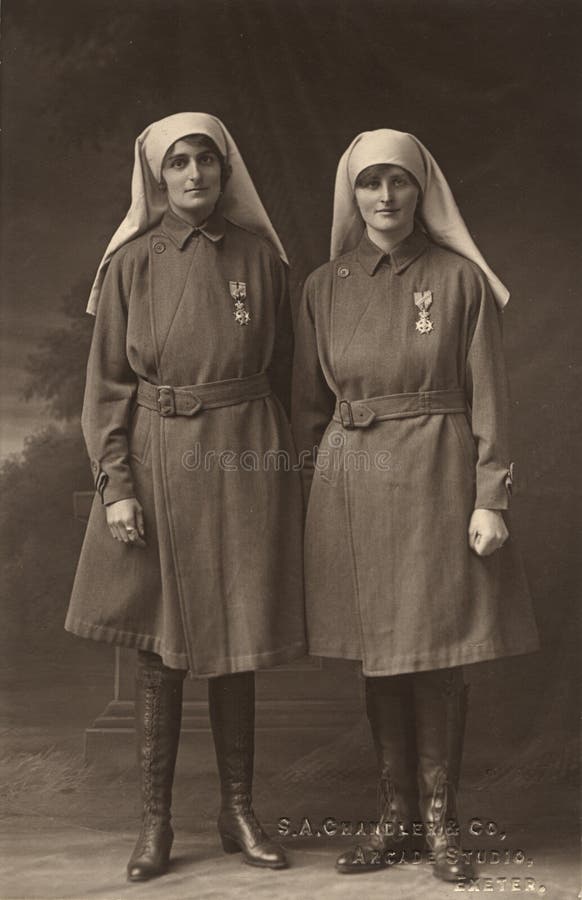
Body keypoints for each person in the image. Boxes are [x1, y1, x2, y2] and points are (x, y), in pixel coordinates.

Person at [291, 129, 539, 882]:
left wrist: (489, 496)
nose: (385, 198)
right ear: (353, 195)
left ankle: (440, 823)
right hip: (353, 483)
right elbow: (306, 408)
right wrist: (318, 492)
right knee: (380, 657)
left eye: (398, 182)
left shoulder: (460, 280)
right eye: (370, 184)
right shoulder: (322, 286)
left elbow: (491, 397)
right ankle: (393, 817)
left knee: (435, 656)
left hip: (437, 475)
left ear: (420, 189)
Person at [66, 112, 306, 881]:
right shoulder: (132, 264)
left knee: (237, 644)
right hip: (160, 456)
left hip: (244, 459)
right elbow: (105, 390)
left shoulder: (262, 262)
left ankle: (238, 808)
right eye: (179, 164)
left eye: (207, 160)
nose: (195, 175)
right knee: (159, 653)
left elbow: (288, 375)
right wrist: (116, 485)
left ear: (224, 171)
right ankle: (156, 821)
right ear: (157, 178)